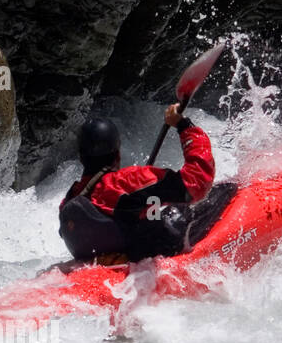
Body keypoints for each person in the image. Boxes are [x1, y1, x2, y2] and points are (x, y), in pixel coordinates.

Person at [57, 103, 237, 266]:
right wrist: (185, 126)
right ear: (117, 153)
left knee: (158, 210)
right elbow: (197, 182)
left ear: (81, 157)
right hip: (154, 253)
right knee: (228, 189)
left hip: (114, 256)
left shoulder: (71, 198)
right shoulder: (126, 182)